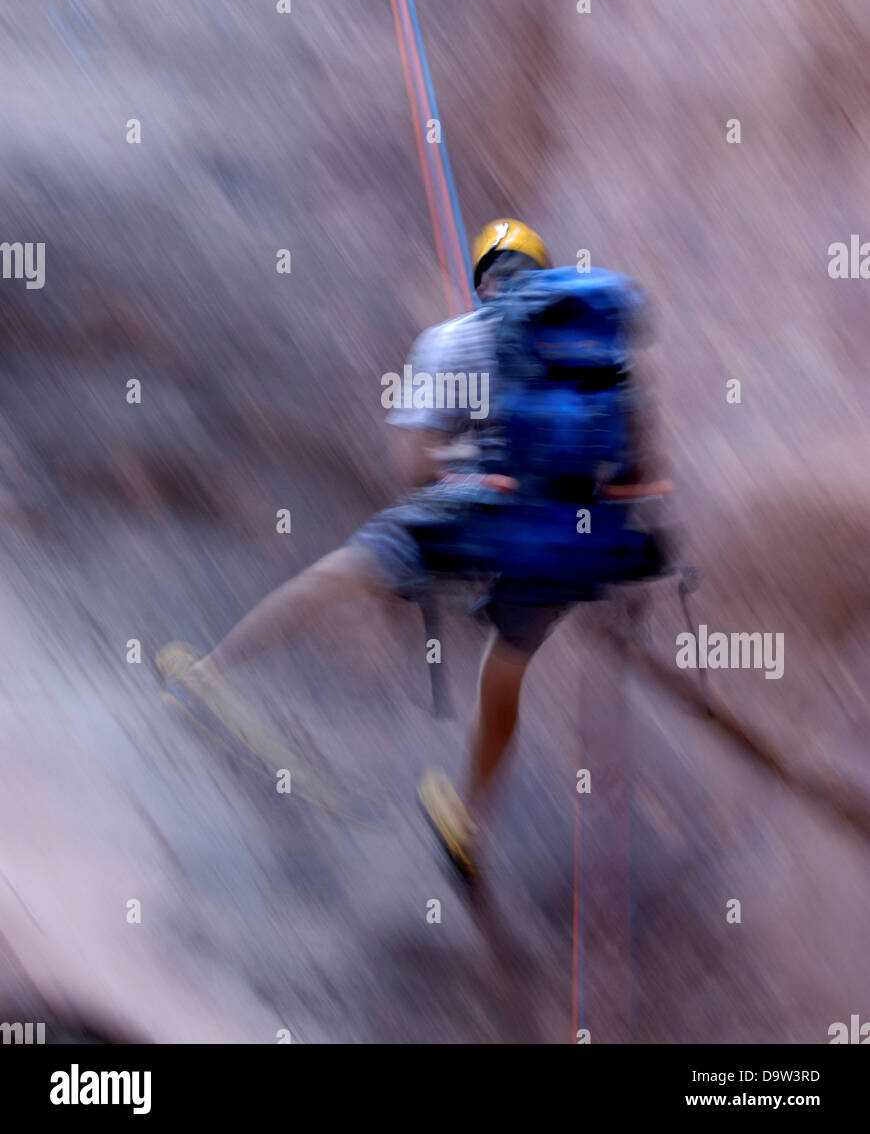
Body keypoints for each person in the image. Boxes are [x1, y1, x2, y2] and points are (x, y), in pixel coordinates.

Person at [157, 218, 671, 876]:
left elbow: (415, 466)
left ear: (484, 278)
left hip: (480, 518)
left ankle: (210, 671)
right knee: (503, 677)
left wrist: (477, 476)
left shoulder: (453, 341)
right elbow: (636, 475)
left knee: (340, 573)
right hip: (559, 543)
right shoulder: (607, 363)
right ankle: (468, 828)